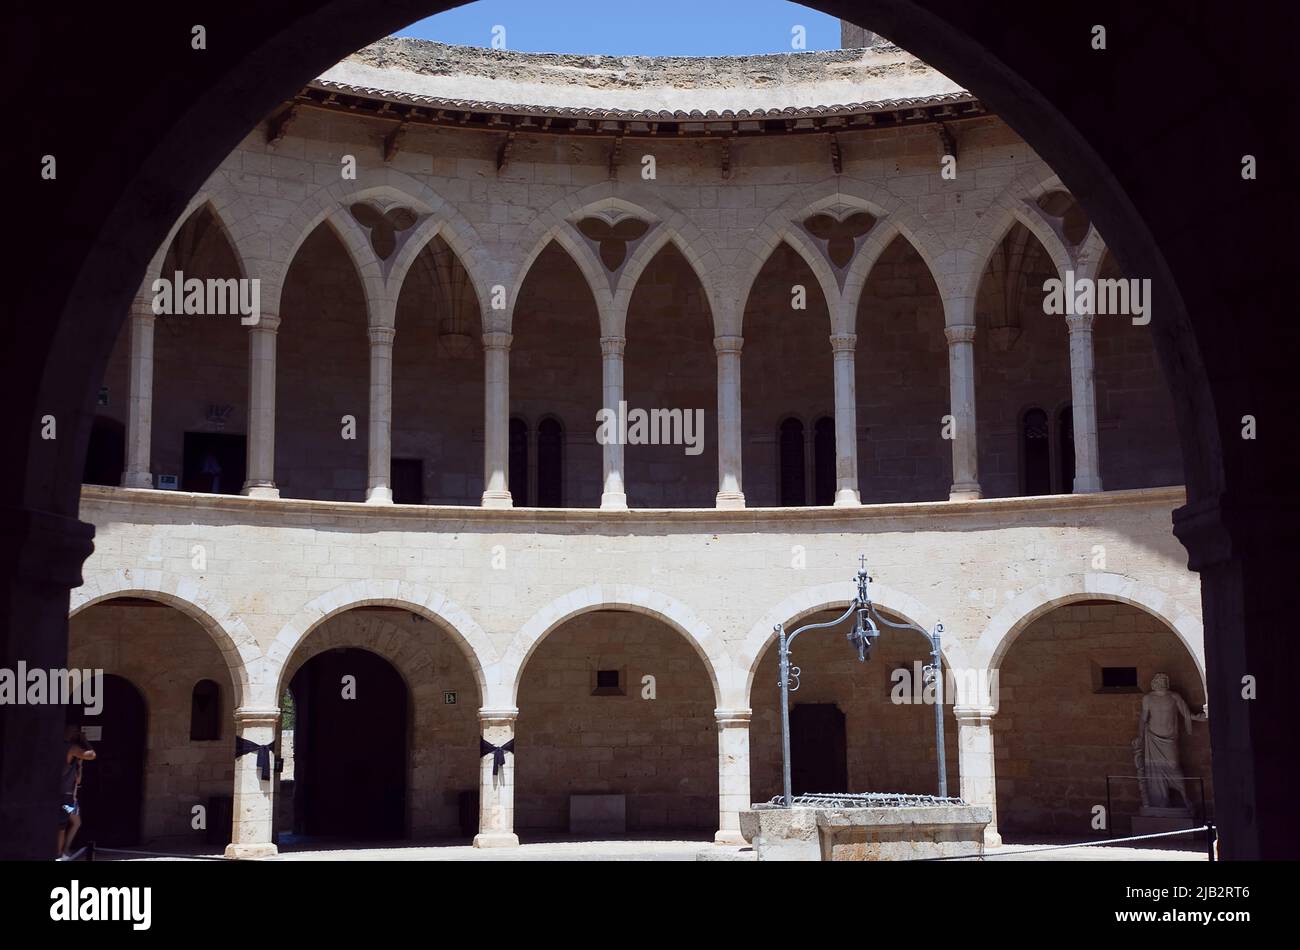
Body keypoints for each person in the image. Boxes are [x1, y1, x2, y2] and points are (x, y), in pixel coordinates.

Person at [56, 724, 96, 860]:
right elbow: (92, 755)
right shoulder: (70, 748)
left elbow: (78, 780)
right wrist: (84, 739)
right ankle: (60, 854)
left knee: (74, 822)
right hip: (65, 795)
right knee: (61, 826)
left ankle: (64, 851)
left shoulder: (54, 745)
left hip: (60, 793)